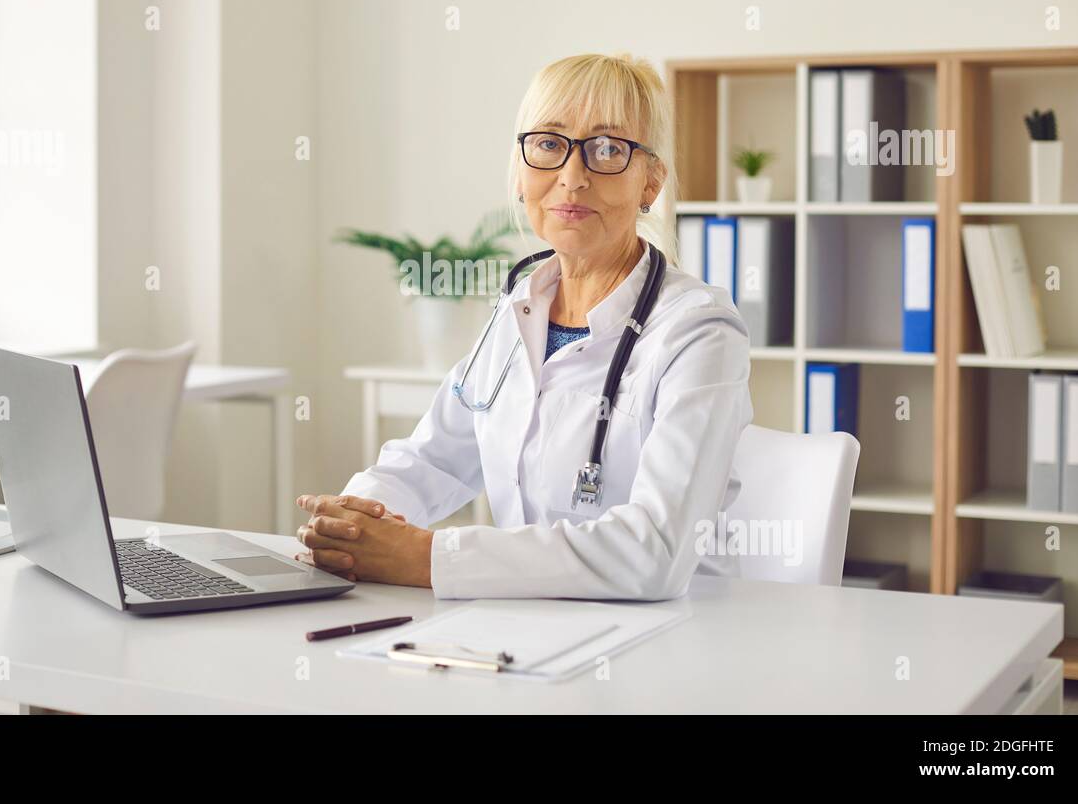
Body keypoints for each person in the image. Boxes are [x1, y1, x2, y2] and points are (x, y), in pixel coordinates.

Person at [296, 52, 752, 600]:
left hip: (673, 640)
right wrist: (351, 524)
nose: (573, 177)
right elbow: (435, 457)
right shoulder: (520, 308)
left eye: (608, 149)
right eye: (548, 144)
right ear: (521, 170)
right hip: (525, 628)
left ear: (650, 182)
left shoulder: (699, 333)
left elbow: (653, 551)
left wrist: (425, 557)